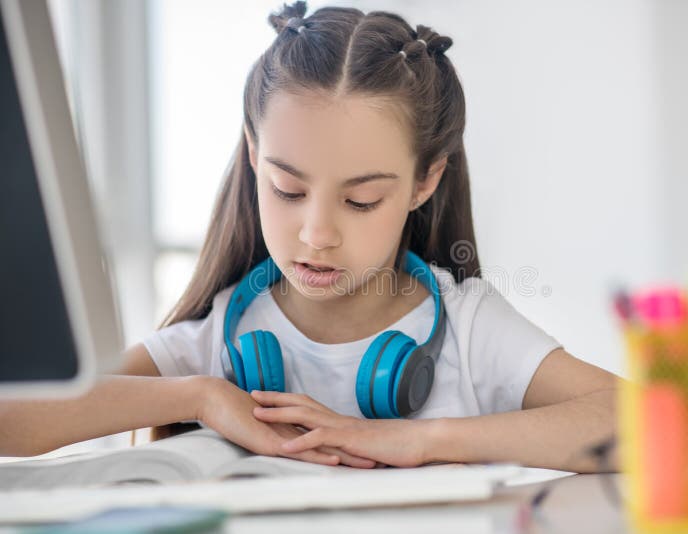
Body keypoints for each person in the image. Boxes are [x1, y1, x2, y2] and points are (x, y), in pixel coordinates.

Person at [0, 2, 619, 472]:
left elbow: (651, 423)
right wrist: (201, 395)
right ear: (253, 155)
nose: (317, 234)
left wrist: (422, 439)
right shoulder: (218, 341)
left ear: (425, 181)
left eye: (361, 200)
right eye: (288, 189)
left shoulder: (470, 329)